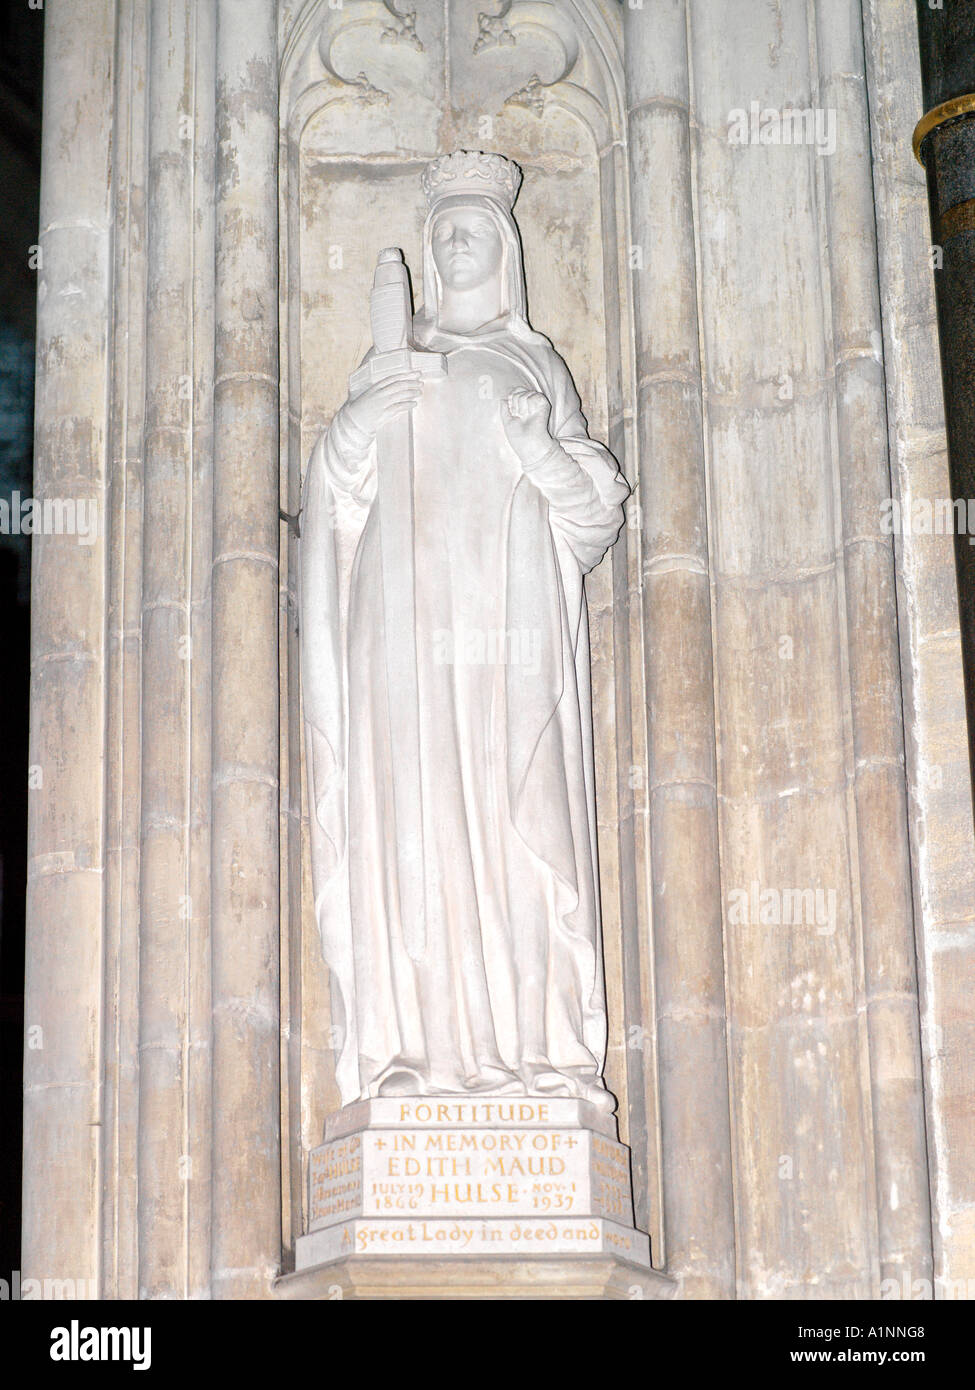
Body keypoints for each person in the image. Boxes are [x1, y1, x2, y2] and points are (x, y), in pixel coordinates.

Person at [301, 150, 628, 1115]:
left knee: (509, 828)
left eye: (473, 229)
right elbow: (338, 500)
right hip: (400, 637)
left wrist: (536, 450)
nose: (455, 242)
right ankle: (412, 1048)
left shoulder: (534, 365)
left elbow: (592, 517)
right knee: (408, 827)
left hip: (503, 642)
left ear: (506, 249)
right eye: (444, 232)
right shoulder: (390, 363)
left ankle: (533, 1057)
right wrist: (354, 427)